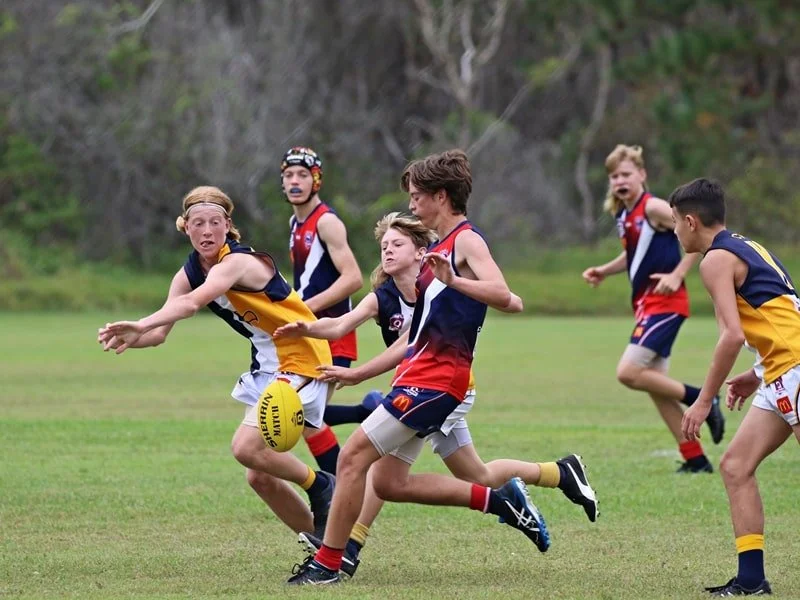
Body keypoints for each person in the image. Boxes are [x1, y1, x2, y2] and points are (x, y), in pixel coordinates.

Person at [286, 149, 598, 586]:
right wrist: (310, 329)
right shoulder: (437, 251)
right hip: (419, 377)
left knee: (353, 457)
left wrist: (455, 280)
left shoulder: (466, 241)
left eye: (417, 196)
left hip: (437, 382)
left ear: (441, 196)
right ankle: (551, 477)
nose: (412, 204)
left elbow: (505, 295)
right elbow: (419, 333)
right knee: (394, 482)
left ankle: (330, 562)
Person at [97, 186, 336, 539]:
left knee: (244, 448)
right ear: (185, 227)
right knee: (259, 476)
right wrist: (133, 337)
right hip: (269, 367)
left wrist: (142, 322)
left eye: (214, 222)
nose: (207, 231)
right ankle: (327, 550)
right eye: (198, 223)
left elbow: (191, 304)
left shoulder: (238, 262)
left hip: (302, 359)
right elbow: (159, 334)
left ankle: (321, 485)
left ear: (228, 226)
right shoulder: (189, 272)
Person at [673, 178, 800, 597]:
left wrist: (703, 401)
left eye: (675, 222)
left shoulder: (715, 260)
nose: (675, 231)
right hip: (779, 372)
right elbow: (779, 317)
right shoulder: (745, 246)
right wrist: (757, 373)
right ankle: (751, 579)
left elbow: (731, 336)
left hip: (793, 371)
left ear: (691, 221)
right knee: (735, 466)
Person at [582, 144, 724, 473]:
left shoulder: (654, 207)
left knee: (629, 373)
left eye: (626, 174)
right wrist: (604, 270)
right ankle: (696, 459)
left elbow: (699, 235)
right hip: (647, 305)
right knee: (655, 387)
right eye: (614, 176)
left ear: (642, 175)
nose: (620, 181)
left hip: (666, 305)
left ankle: (703, 397)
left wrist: (677, 275)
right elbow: (634, 253)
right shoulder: (625, 214)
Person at [281, 146, 365, 475]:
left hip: (333, 333)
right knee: (301, 414)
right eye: (289, 175)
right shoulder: (294, 222)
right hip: (308, 333)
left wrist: (305, 309)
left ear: (316, 180)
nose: (295, 181)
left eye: (302, 175)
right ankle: (364, 413)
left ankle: (336, 486)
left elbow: (353, 278)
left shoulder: (327, 222)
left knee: (302, 414)